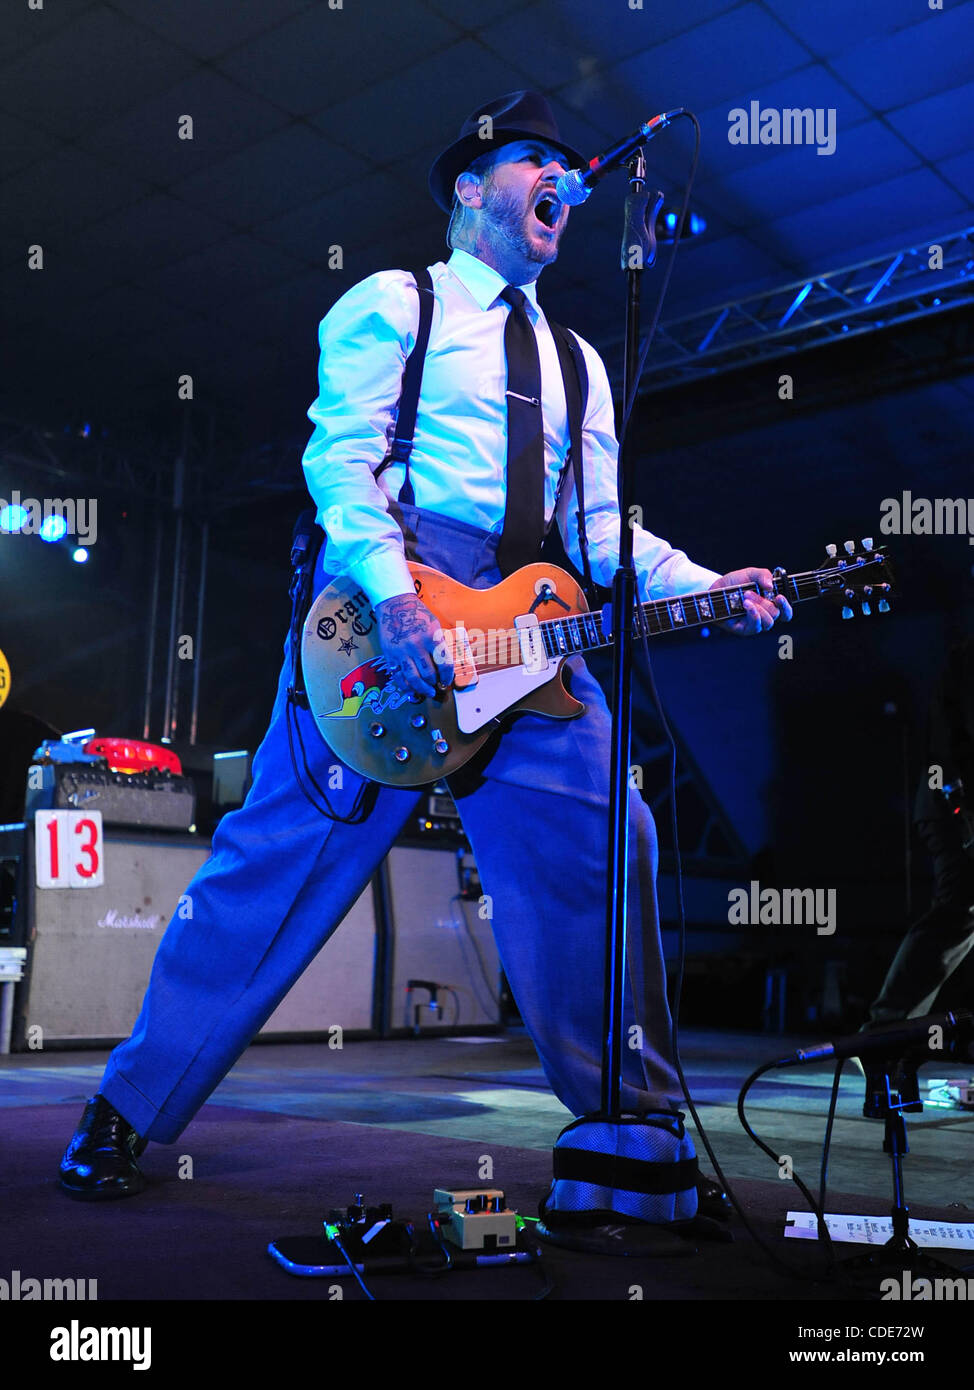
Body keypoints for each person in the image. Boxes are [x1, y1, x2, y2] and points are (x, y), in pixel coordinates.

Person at [59, 91, 790, 1214]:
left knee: (616, 832)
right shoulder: (394, 301)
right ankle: (128, 1104)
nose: (560, 182)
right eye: (534, 161)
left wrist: (707, 585)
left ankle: (626, 1129)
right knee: (280, 860)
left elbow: (599, 534)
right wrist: (396, 596)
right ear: (470, 187)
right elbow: (340, 464)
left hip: (531, 615)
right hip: (392, 592)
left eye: (564, 165)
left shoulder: (580, 362)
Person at [866, 636, 974, 1025]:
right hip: (950, 805)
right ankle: (885, 1032)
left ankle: (887, 1031)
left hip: (950, 802)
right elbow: (948, 749)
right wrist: (961, 810)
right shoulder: (966, 659)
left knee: (961, 911)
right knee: (959, 909)